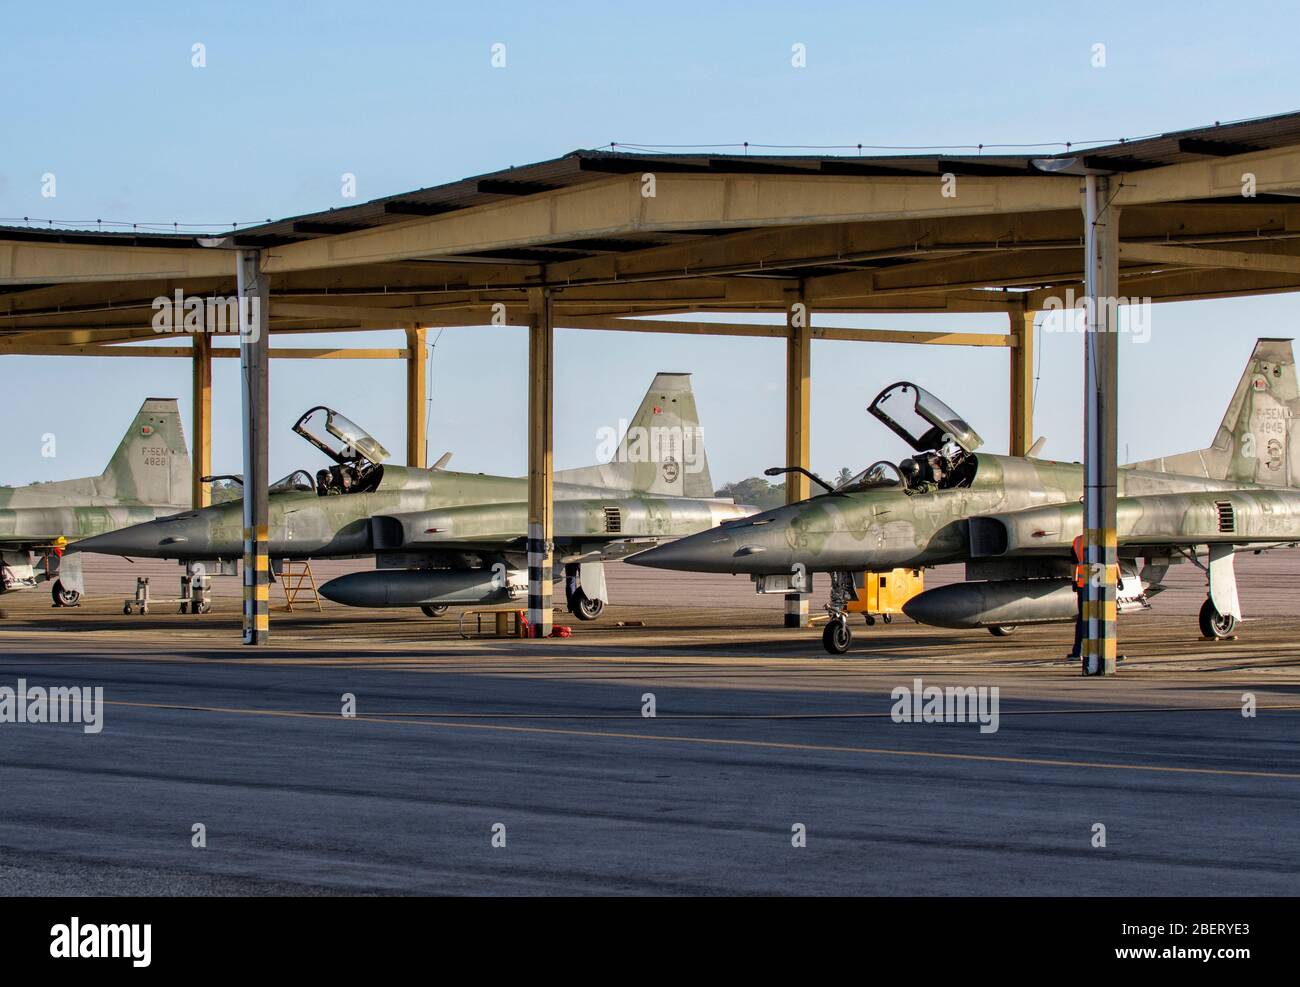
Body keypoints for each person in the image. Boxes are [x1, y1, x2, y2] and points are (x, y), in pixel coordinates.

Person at [1069, 534, 1086, 661]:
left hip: (1082, 585)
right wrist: (1119, 579)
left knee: (1082, 619)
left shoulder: (1078, 541)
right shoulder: (1104, 538)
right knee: (1104, 619)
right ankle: (1106, 652)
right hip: (1101, 586)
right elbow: (1113, 562)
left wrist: (1074, 581)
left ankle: (1077, 651)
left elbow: (1074, 563)